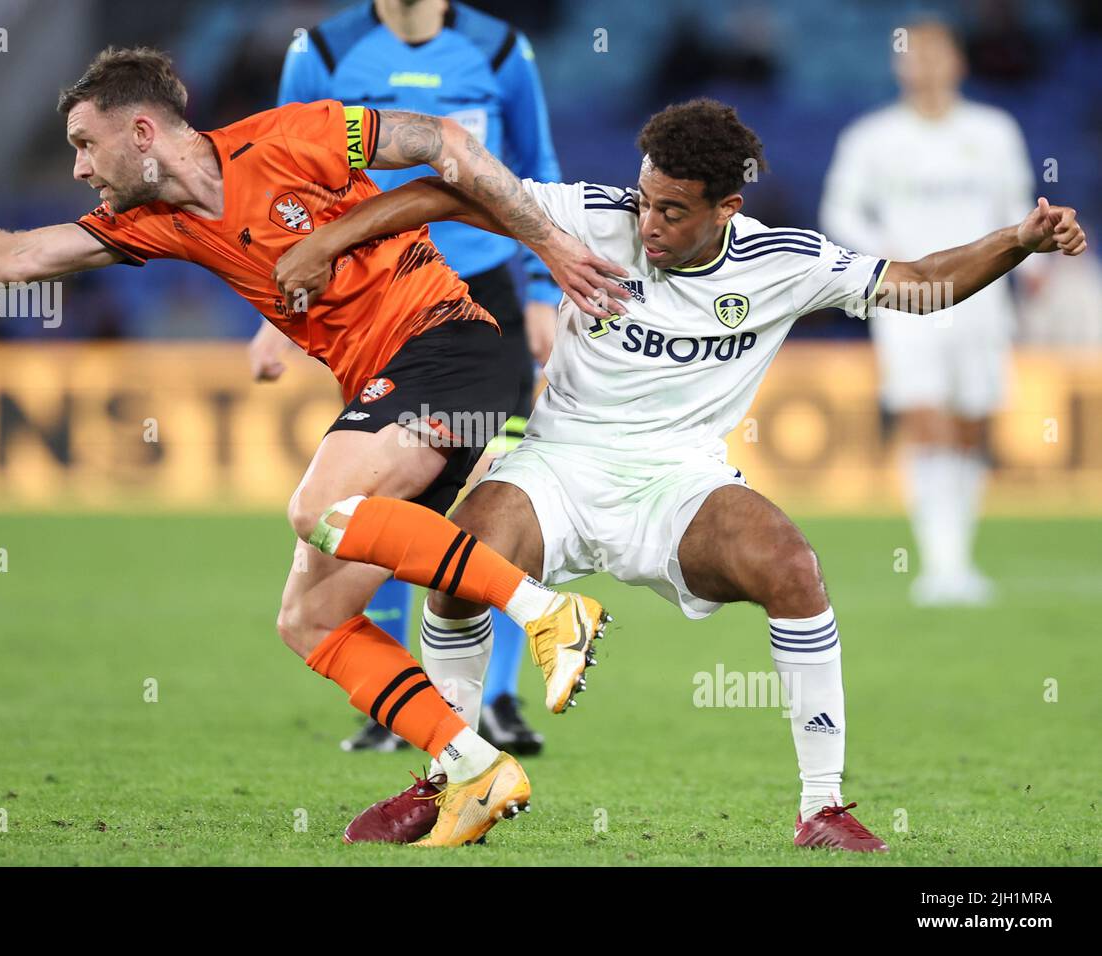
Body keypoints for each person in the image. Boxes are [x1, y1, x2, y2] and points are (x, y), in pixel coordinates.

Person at [0, 46, 628, 848]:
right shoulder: (157, 223)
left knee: (317, 509)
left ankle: (548, 612)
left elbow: (445, 148)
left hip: (450, 346)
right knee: (310, 618)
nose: (79, 169)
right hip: (397, 384)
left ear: (141, 132)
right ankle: (470, 765)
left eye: (84, 145)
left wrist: (547, 245)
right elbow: (25, 252)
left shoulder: (291, 137)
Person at [270, 97, 1086, 848]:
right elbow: (450, 192)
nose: (648, 223)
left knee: (792, 566)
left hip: (678, 481)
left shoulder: (785, 262)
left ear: (728, 207)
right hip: (559, 462)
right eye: (645, 199)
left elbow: (915, 285)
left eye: (672, 209)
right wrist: (326, 240)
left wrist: (1016, 240)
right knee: (463, 562)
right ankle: (451, 778)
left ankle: (822, 807)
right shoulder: (594, 214)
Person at [255, 0, 563, 755]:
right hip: (380, 303)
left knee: (496, 491)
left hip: (484, 298)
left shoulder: (499, 50)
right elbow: (279, 181)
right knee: (379, 499)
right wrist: (274, 311)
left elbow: (538, 168)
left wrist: (544, 286)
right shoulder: (322, 49)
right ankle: (397, 705)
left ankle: (496, 701)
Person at [820, 19, 1040, 605]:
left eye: (935, 55)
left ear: (957, 63)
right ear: (900, 66)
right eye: (913, 56)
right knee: (925, 417)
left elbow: (1017, 208)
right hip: (909, 298)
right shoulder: (872, 137)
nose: (924, 66)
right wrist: (887, 259)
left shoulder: (993, 132)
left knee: (971, 422)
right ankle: (939, 565)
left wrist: (1033, 264)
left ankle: (959, 558)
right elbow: (840, 212)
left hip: (984, 298)